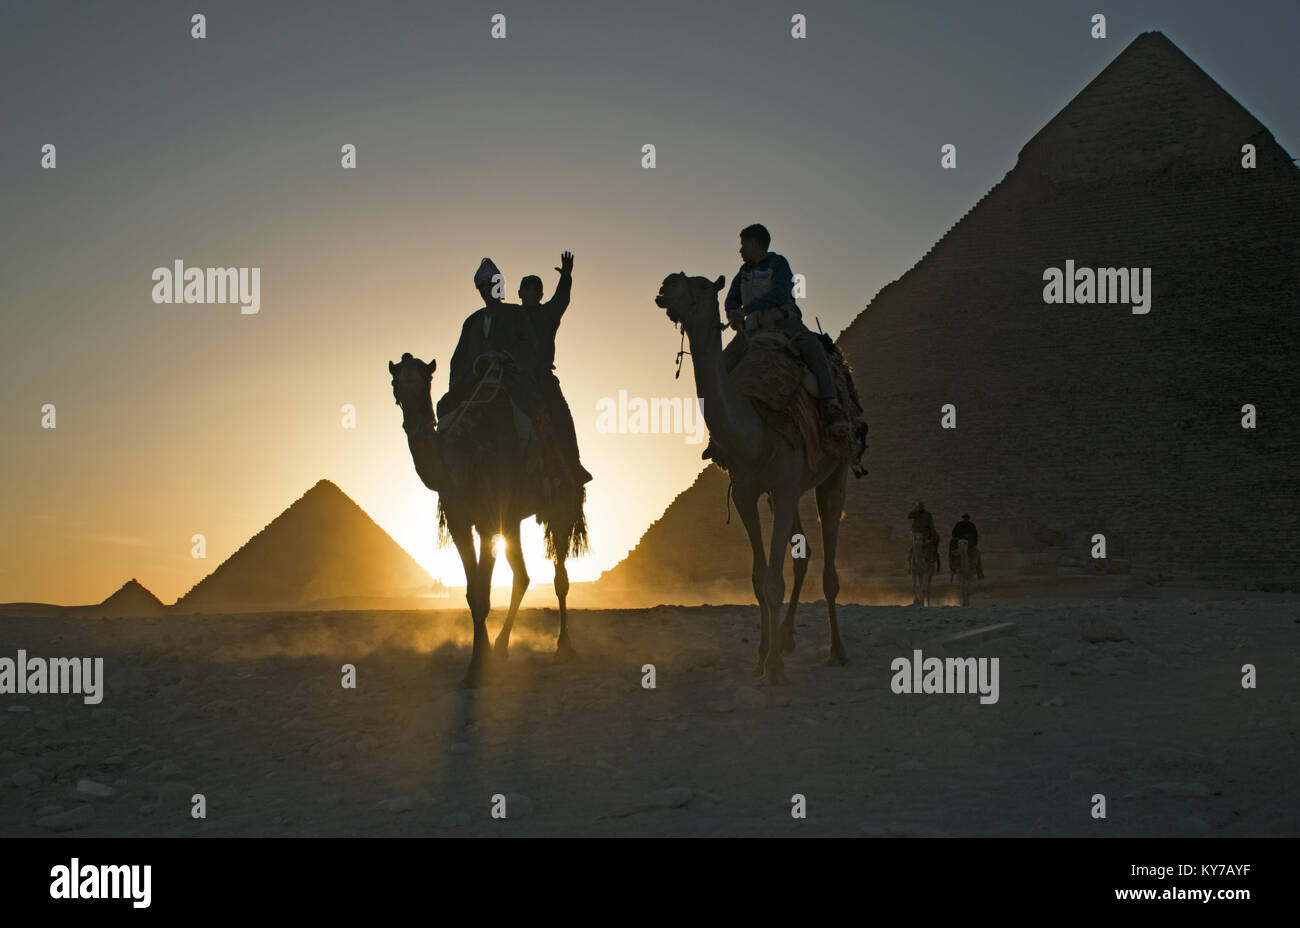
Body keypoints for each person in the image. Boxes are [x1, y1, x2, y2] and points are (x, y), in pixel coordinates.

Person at [437, 258, 541, 443]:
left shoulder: (516, 314)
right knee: (445, 409)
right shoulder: (471, 322)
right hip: (475, 383)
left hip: (511, 381)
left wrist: (505, 356)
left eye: (490, 284)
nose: (486, 290)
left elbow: (530, 348)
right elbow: (458, 359)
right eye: (482, 286)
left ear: (499, 285)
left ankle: (529, 454)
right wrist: (458, 382)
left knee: (528, 422)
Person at [520, 251, 592, 485]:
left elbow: (561, 299)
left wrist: (566, 277)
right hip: (514, 376)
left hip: (541, 378)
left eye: (535, 290)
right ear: (520, 293)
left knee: (562, 414)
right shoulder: (510, 316)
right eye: (527, 290)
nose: (531, 293)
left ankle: (573, 464)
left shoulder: (547, 314)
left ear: (541, 294)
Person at [908, 500, 941, 572]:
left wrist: (932, 532)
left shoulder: (928, 514)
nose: (920, 508)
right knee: (912, 547)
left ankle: (934, 559)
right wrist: (915, 509)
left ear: (923, 507)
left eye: (921, 506)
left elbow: (931, 524)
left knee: (932, 542)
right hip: (916, 532)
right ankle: (910, 564)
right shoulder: (915, 513)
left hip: (925, 533)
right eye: (919, 507)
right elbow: (909, 516)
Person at [950, 513, 984, 579]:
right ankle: (952, 566)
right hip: (959, 542)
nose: (965, 519)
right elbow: (953, 532)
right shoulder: (959, 524)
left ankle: (979, 572)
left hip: (969, 543)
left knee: (976, 554)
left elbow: (975, 535)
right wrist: (956, 537)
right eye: (964, 517)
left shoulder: (971, 525)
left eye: (967, 517)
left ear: (968, 518)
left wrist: (972, 541)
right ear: (963, 518)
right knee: (953, 550)